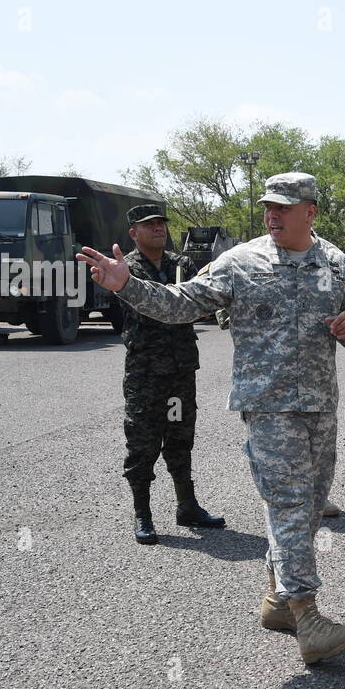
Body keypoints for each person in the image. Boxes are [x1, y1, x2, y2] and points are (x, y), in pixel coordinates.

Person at [79, 173, 345, 666]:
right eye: (267, 208)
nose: (272, 216)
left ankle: (277, 601)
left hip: (320, 404)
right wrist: (127, 285)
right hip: (266, 405)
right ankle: (307, 614)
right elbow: (180, 304)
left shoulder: (335, 262)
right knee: (289, 504)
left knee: (313, 504)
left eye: (283, 207)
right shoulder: (242, 262)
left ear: (310, 212)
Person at [119, 204, 224, 545]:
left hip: (180, 371)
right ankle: (143, 513)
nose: (158, 229)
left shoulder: (181, 265)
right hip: (146, 373)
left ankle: (186, 505)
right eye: (149, 225)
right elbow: (149, 308)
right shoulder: (126, 269)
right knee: (143, 441)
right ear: (134, 233)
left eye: (161, 223)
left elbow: (197, 302)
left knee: (180, 437)